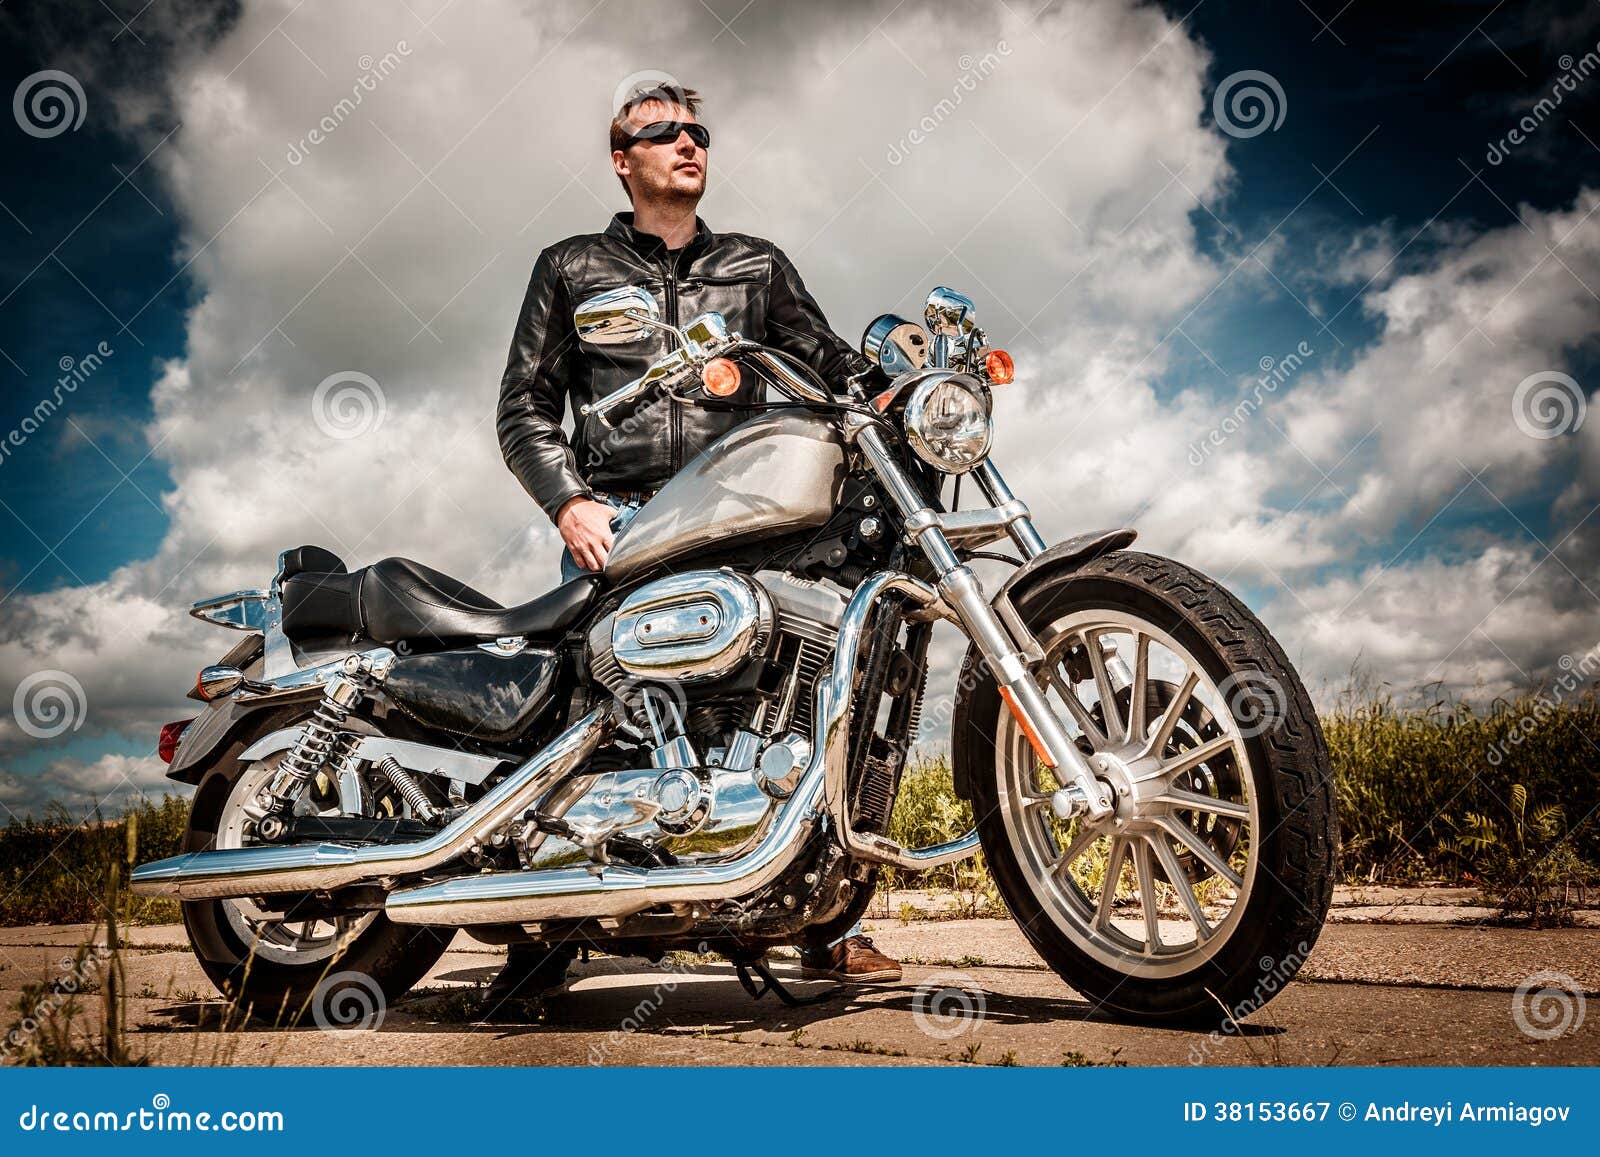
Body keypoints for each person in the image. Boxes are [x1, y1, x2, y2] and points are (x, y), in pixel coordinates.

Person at [484, 82, 899, 1017]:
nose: (686, 144)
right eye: (662, 132)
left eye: (697, 132)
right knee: (584, 716)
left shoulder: (755, 264)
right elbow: (523, 406)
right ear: (621, 157)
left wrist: (899, 383)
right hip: (620, 519)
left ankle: (826, 922)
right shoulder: (572, 265)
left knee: (795, 705)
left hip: (742, 514)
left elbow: (830, 364)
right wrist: (568, 502)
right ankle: (539, 938)